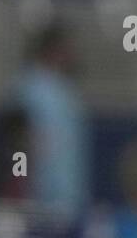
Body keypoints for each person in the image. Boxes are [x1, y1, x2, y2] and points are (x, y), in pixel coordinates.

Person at [14, 23, 91, 218]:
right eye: (68, 48)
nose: (73, 54)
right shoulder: (27, 89)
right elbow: (18, 145)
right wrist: (19, 185)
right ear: (53, 49)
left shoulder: (67, 91)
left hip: (68, 196)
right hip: (37, 197)